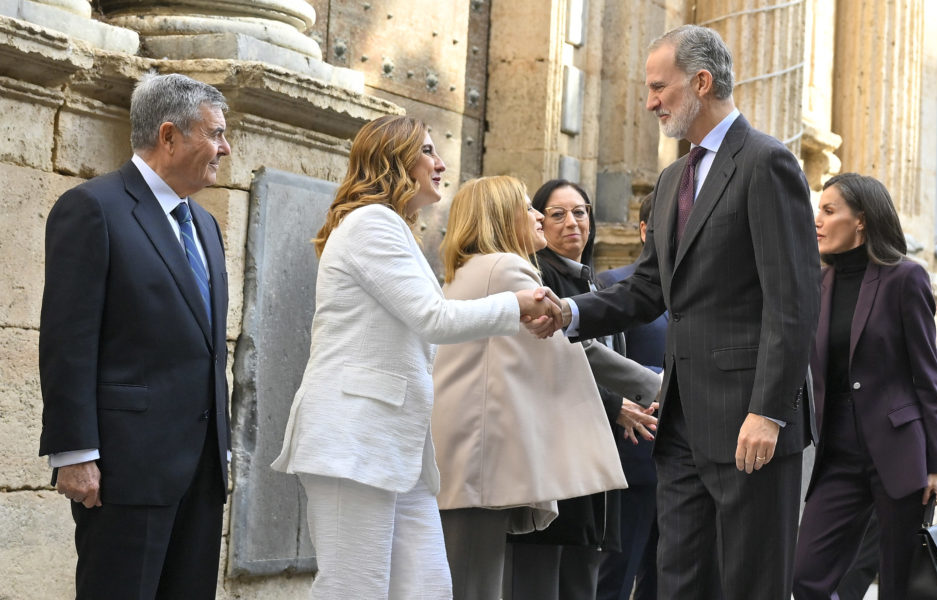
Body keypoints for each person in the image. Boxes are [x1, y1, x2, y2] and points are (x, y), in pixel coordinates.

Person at [532, 25, 822, 599]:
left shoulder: (767, 163)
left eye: (659, 87)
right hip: (682, 424)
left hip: (750, 425)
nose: (649, 102)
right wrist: (569, 312)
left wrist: (768, 411)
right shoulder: (671, 181)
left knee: (749, 585)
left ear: (702, 81)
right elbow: (645, 289)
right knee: (678, 582)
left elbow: (793, 303)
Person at [270, 115, 561, 600]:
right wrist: (515, 305)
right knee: (353, 590)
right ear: (393, 160)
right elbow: (433, 319)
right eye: (427, 151)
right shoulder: (371, 223)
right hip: (354, 442)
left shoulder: (391, 227)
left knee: (426, 588)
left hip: (394, 450)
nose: (441, 163)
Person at [38, 72, 233, 599]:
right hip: (126, 470)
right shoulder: (93, 208)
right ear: (168, 136)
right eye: (215, 133)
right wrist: (73, 452)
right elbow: (67, 339)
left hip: (201, 469)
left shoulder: (207, 226)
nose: (226, 147)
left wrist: (223, 448)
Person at [432, 175, 628, 600]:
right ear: (503, 217)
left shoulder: (473, 267)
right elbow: (578, 348)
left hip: (465, 456)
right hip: (478, 460)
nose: (539, 216)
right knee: (473, 587)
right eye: (530, 207)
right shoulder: (506, 267)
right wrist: (657, 387)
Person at [792, 172, 937, 599]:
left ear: (861, 220)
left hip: (900, 450)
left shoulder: (905, 278)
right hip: (837, 452)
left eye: (828, 211)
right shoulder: (819, 284)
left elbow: (927, 375)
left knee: (898, 582)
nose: (817, 221)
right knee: (805, 575)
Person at [505, 179, 660, 600]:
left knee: (584, 576)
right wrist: (624, 400)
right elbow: (570, 353)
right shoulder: (539, 275)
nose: (572, 222)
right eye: (557, 214)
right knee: (550, 578)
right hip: (557, 453)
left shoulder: (587, 280)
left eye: (580, 211)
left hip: (593, 452)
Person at [594, 193, 666, 600]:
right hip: (632, 456)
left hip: (688, 461)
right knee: (616, 577)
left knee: (669, 579)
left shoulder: (703, 292)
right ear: (643, 231)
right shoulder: (610, 285)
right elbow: (603, 365)